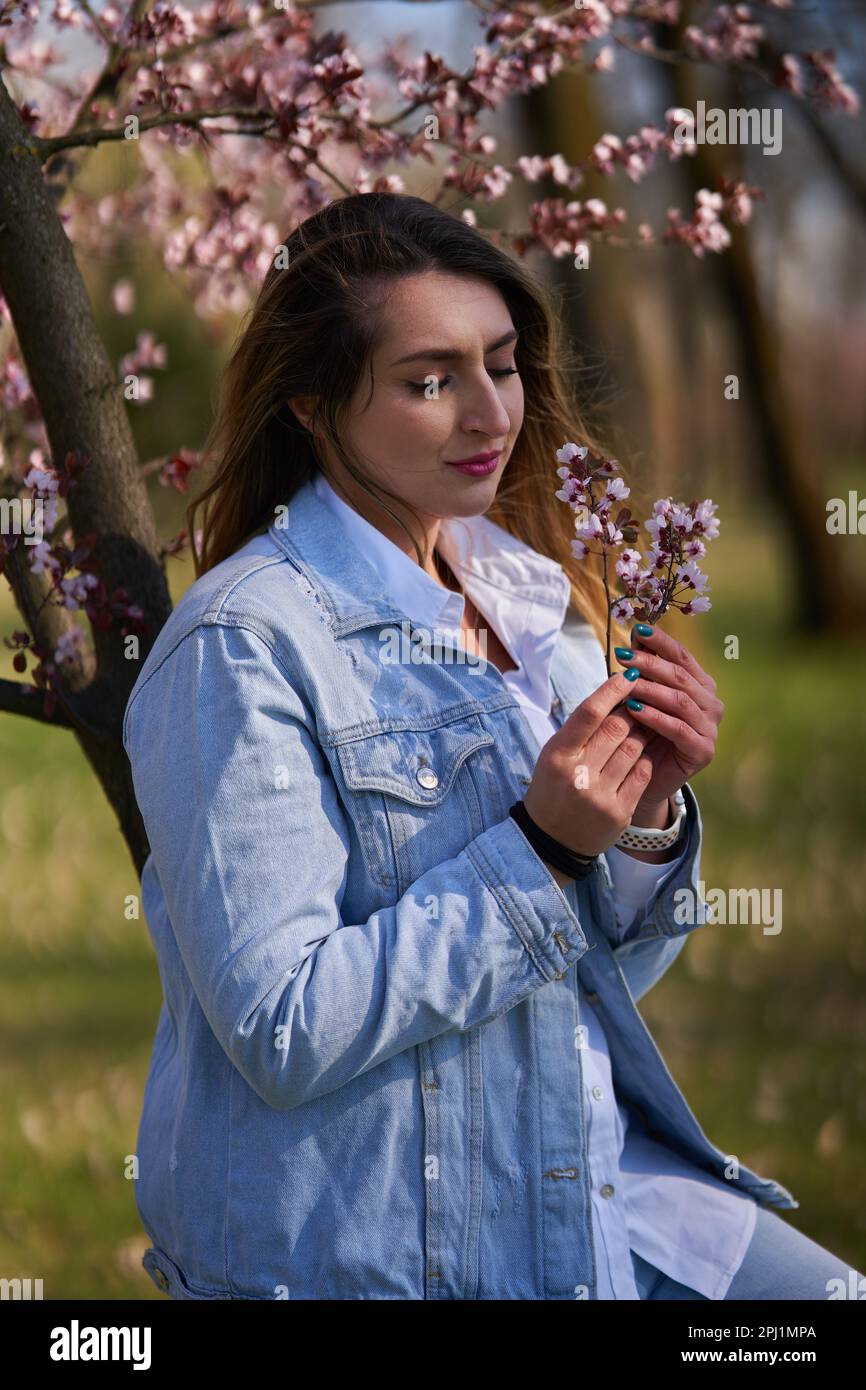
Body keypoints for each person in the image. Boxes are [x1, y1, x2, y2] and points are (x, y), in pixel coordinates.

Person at [123, 192, 860, 1300]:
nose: (489, 414)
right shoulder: (242, 647)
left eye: (502, 364)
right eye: (429, 380)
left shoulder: (526, 598)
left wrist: (640, 822)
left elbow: (590, 975)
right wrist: (540, 849)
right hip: (391, 1252)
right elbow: (283, 1028)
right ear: (316, 407)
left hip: (586, 1194)